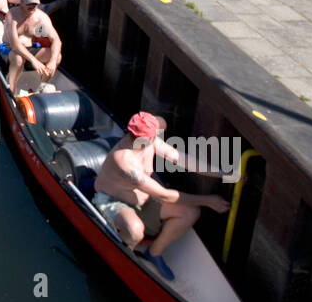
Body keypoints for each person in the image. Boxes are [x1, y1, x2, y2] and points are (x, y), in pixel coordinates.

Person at [91, 112, 231, 281]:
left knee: (191, 212)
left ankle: (154, 252)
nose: (155, 139)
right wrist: (208, 201)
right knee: (135, 232)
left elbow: (182, 159)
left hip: (142, 198)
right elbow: (164, 195)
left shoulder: (152, 139)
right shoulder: (125, 162)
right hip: (113, 200)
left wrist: (224, 174)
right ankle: (125, 257)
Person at [3, 0, 63, 94]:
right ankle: (11, 89)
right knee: (18, 59)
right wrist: (34, 61)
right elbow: (14, 44)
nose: (32, 8)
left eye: (34, 5)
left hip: (29, 50)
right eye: (29, 6)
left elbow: (56, 40)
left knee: (57, 56)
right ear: (21, 2)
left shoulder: (41, 17)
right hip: (9, 50)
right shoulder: (13, 14)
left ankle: (41, 86)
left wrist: (53, 61)